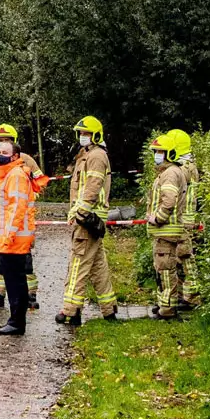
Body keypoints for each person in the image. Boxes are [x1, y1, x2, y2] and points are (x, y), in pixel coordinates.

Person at [0, 125, 49, 335]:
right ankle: (15, 320)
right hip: (11, 240)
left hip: (14, 241)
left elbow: (17, 209)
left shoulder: (16, 175)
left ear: (16, 155)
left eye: (6, 153)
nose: (1, 157)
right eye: (0, 153)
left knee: (16, 281)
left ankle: (17, 322)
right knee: (13, 281)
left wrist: (8, 236)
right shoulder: (9, 174)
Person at [55, 115, 117, 325]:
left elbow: (92, 187)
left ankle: (70, 310)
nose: (82, 137)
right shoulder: (88, 155)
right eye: (80, 133)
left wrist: (78, 211)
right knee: (98, 266)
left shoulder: (96, 156)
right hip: (90, 217)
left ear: (96, 135)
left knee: (78, 264)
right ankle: (109, 310)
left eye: (86, 133)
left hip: (87, 219)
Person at [147, 130, 190, 319]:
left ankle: (167, 309)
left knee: (165, 270)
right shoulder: (169, 172)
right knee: (164, 269)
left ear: (169, 154)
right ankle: (164, 305)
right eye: (155, 152)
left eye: (160, 152)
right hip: (165, 230)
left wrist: (157, 218)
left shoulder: (170, 173)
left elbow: (169, 200)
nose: (157, 156)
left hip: (166, 229)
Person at [179, 144, 202, 309]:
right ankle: (187, 296)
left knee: (186, 258)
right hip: (188, 218)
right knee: (184, 258)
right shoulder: (191, 167)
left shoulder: (184, 169)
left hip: (183, 221)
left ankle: (191, 298)